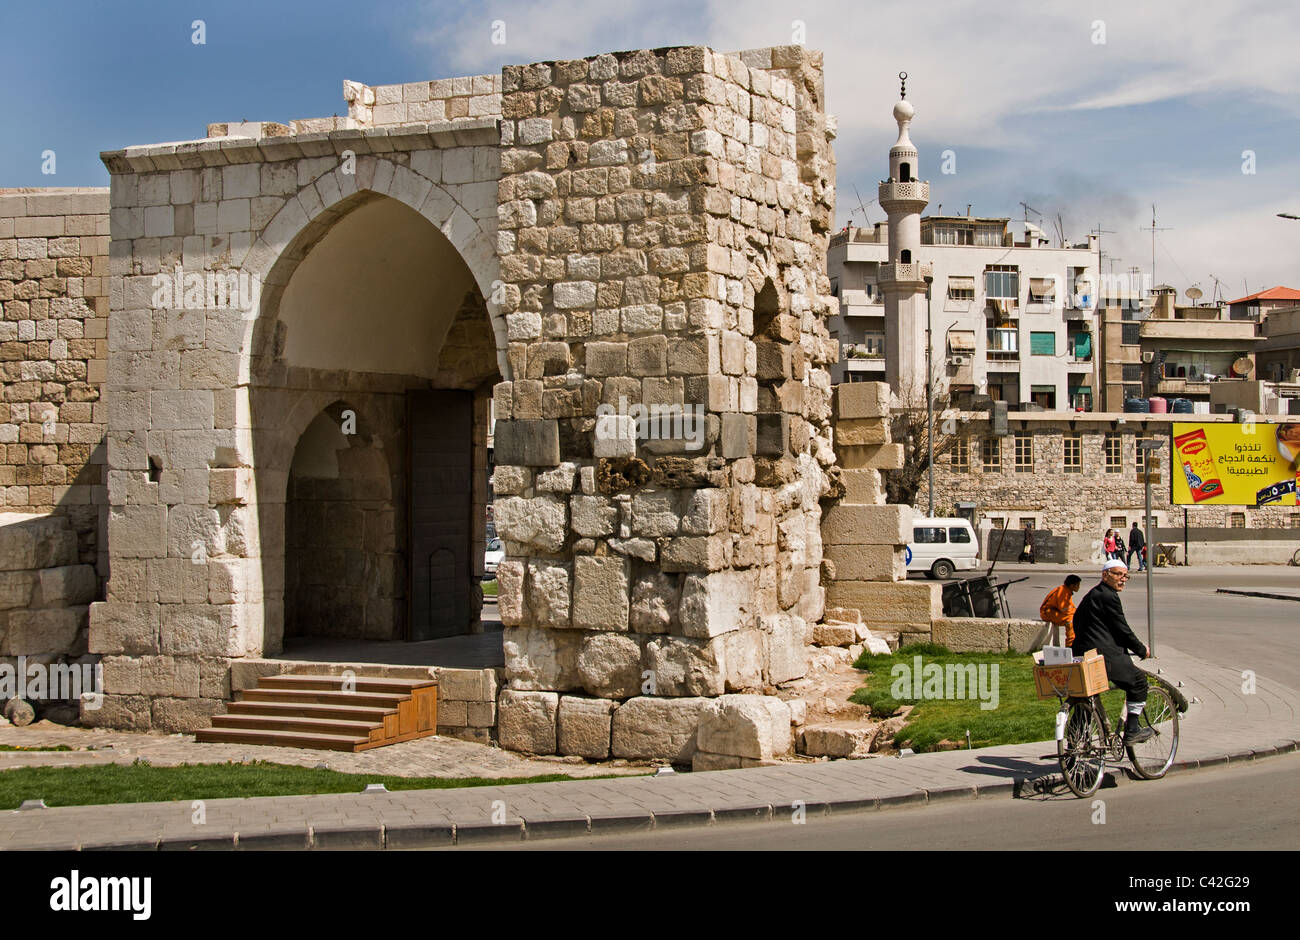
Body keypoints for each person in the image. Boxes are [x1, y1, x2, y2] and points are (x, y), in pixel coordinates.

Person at [1071, 559, 1153, 744]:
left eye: (1125, 576)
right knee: (1139, 681)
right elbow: (1122, 630)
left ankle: (1072, 751)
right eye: (1118, 574)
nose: (1122, 579)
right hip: (1104, 657)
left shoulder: (1092, 595)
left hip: (1082, 655)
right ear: (1105, 574)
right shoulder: (1108, 596)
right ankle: (1132, 730)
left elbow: (1077, 622)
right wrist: (1141, 650)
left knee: (1085, 699)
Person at [1039, 574, 1081, 646]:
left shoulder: (1066, 591)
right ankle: (1070, 644)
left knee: (1074, 617)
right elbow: (1065, 609)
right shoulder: (1063, 592)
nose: (1079, 587)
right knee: (1070, 620)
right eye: (1078, 585)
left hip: (1053, 611)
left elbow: (1070, 607)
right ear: (1072, 585)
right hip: (1047, 613)